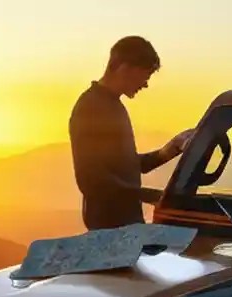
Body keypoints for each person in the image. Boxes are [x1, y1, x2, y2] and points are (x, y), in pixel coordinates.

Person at [69, 35, 195, 230]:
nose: (145, 84)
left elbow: (123, 164)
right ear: (123, 67)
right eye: (145, 75)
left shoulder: (112, 105)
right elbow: (91, 179)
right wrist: (148, 195)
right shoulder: (90, 108)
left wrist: (169, 150)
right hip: (109, 229)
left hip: (126, 226)